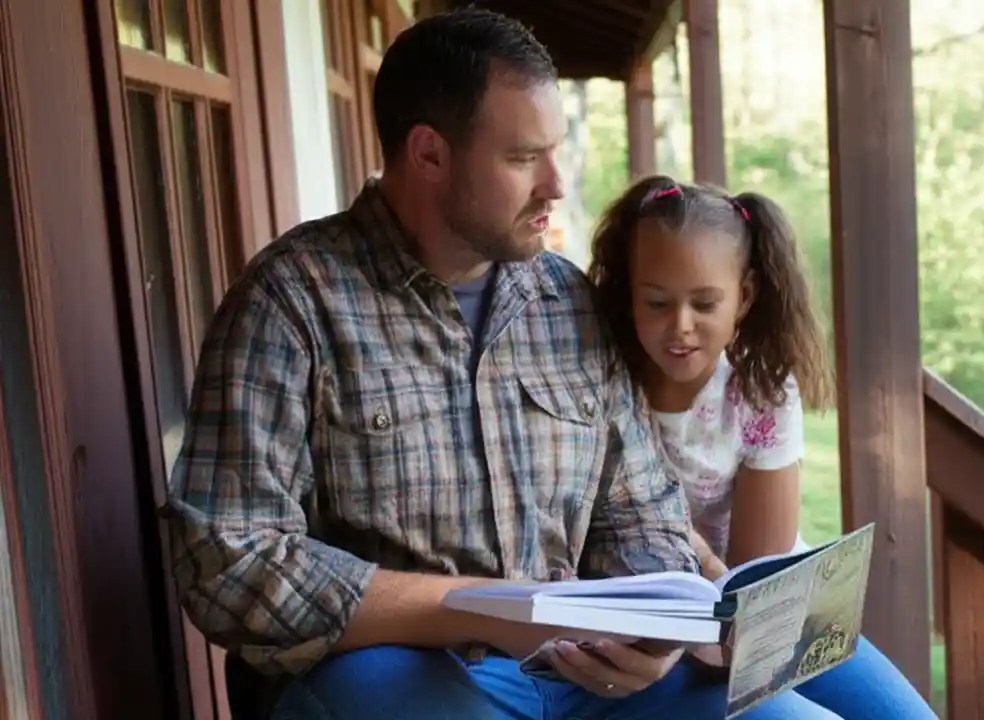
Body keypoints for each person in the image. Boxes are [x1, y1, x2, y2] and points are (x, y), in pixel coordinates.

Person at [164, 9, 844, 720]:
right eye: (524, 158)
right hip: (393, 671)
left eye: (556, 151)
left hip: (585, 675)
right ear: (429, 154)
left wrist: (653, 635)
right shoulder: (291, 303)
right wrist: (467, 607)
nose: (556, 183)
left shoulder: (568, 303)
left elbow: (643, 513)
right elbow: (227, 559)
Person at [587, 176, 938, 718]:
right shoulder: (601, 382)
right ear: (629, 292)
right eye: (656, 302)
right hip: (657, 619)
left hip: (769, 609)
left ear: (744, 296)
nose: (680, 327)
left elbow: (757, 579)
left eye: (705, 304)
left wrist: (723, 611)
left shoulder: (760, 391)